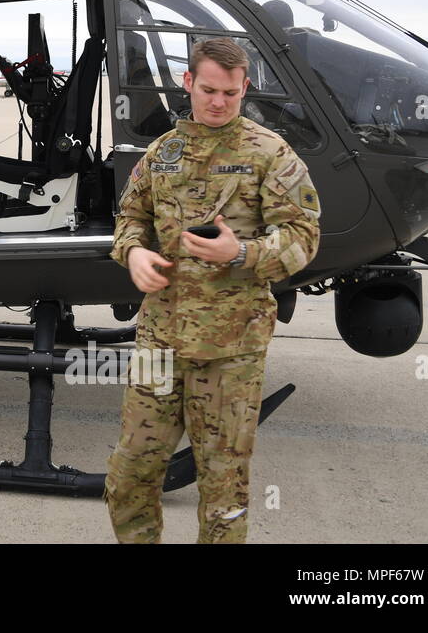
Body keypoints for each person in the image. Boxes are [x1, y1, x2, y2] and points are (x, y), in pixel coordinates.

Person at [106, 37, 320, 543]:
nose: (218, 102)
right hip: (160, 343)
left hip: (231, 352)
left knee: (223, 492)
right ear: (188, 83)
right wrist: (134, 252)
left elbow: (304, 238)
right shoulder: (163, 152)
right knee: (129, 476)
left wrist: (241, 254)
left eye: (230, 92)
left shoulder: (271, 154)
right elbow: (129, 218)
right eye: (208, 90)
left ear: (245, 87)